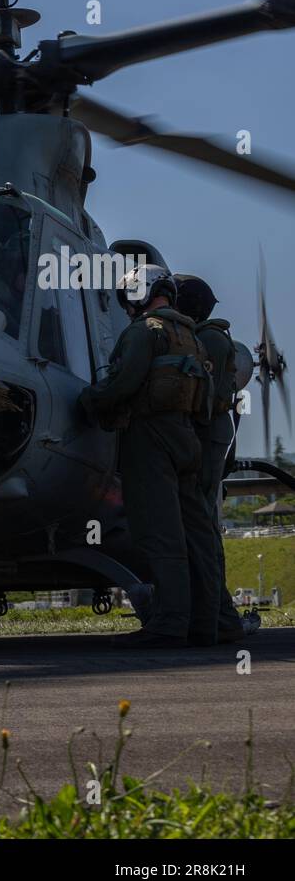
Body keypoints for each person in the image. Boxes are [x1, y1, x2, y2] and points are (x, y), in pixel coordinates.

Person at [78, 264, 219, 648]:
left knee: (161, 533)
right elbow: (206, 400)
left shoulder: (143, 332)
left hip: (149, 437)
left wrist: (89, 401)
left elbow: (123, 383)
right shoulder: (191, 336)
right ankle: (210, 623)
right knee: (198, 534)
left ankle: (170, 623)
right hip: (187, 438)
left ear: (138, 293)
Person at [172, 274, 262, 643]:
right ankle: (214, 615)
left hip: (206, 437)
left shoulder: (206, 340)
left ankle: (213, 616)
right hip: (211, 435)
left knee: (202, 524)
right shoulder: (210, 337)